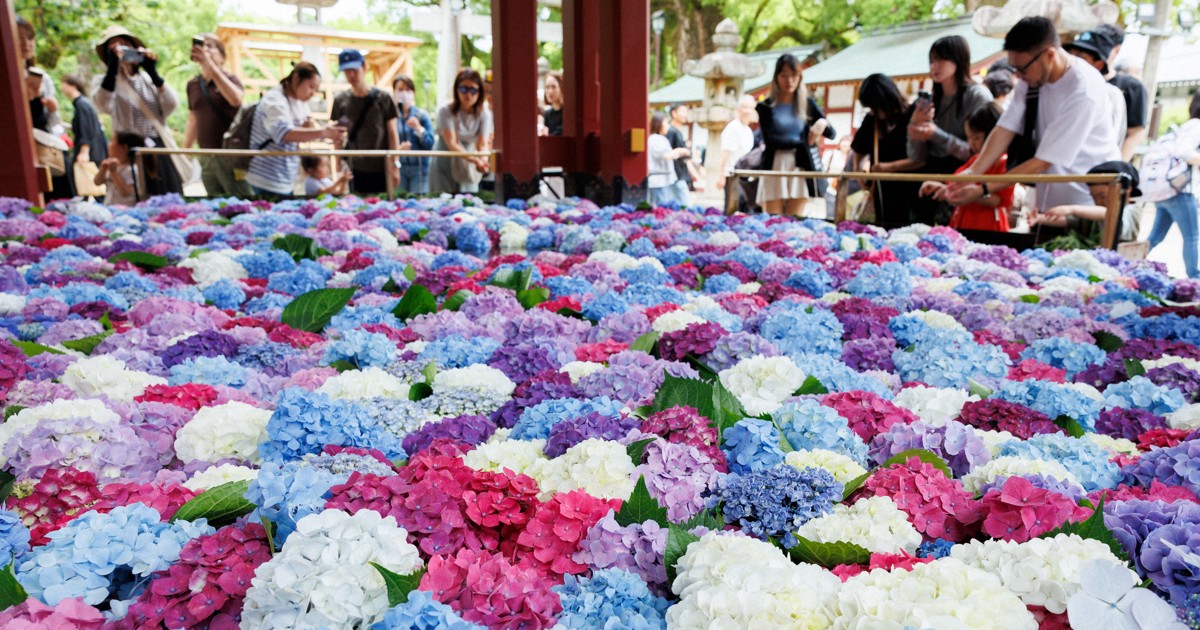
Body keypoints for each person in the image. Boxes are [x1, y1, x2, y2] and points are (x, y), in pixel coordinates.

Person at [947, 17, 1119, 215]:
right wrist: (973, 172)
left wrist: (983, 188)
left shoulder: (1083, 90)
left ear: (1049, 55)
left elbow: (1044, 159)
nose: (1017, 76)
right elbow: (1005, 127)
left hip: (1086, 204)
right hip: (1047, 200)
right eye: (1014, 69)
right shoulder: (1031, 80)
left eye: (1022, 68)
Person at [908, 35, 993, 224]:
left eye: (941, 60)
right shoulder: (930, 99)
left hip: (963, 175)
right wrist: (914, 129)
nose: (934, 67)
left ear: (958, 60)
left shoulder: (977, 96)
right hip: (928, 177)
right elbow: (915, 156)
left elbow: (980, 151)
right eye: (932, 61)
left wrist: (935, 134)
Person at [93, 25, 182, 196]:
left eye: (125, 45)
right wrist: (112, 69)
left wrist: (154, 73)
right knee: (137, 195)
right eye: (114, 46)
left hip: (156, 147)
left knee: (165, 194)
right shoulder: (104, 82)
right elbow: (104, 105)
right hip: (129, 151)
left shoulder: (147, 79)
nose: (121, 50)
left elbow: (171, 105)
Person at [245, 62, 345, 197]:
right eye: (311, 87)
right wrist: (323, 132)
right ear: (297, 79)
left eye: (316, 89)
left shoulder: (300, 103)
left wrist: (328, 134)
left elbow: (306, 132)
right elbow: (284, 133)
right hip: (266, 179)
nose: (313, 93)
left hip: (287, 178)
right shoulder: (274, 99)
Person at [755, 54, 835, 216]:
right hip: (775, 164)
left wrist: (822, 123)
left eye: (793, 75)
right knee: (772, 219)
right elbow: (770, 140)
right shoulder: (765, 106)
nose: (789, 80)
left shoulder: (808, 104)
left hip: (800, 164)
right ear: (777, 77)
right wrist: (803, 143)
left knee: (795, 220)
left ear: (799, 77)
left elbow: (831, 134)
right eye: (784, 75)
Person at [920, 103, 1012, 232]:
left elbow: (998, 200)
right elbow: (959, 184)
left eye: (976, 138)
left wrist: (974, 195)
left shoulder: (1004, 162)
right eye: (968, 138)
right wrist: (944, 189)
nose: (971, 144)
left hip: (986, 226)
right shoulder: (975, 160)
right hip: (964, 222)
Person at [851, 73, 924, 226]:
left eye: (875, 106)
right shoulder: (872, 119)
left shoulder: (913, 114)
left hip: (911, 189)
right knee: (883, 228)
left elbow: (921, 158)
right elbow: (858, 148)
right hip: (882, 190)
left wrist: (889, 167)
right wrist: (858, 172)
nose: (873, 111)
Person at [183, 33, 250, 198]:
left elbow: (236, 99)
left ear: (222, 56)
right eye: (202, 46)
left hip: (231, 155)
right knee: (215, 200)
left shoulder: (231, 79)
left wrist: (211, 67)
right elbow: (193, 117)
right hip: (206, 155)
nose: (205, 50)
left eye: (210, 46)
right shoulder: (193, 84)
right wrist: (185, 150)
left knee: (240, 198)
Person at [1144, 91, 1200, 278]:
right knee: (1191, 237)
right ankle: (1195, 280)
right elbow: (1184, 152)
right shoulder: (1197, 126)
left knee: (1155, 237)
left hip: (1166, 191)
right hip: (1181, 191)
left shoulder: (1186, 126)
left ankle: (1131, 267)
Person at [330, 49, 400, 196]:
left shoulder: (383, 98)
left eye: (354, 70)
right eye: (347, 71)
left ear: (364, 67)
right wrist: (337, 164)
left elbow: (393, 133)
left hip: (382, 166)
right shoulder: (341, 102)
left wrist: (395, 164)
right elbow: (339, 135)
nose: (351, 75)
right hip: (356, 167)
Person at [1032, 160, 1144, 249]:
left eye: (1103, 196)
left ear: (1127, 190)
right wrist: (1039, 218)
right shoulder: (1095, 216)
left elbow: (1109, 214)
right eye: (1094, 197)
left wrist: (1071, 209)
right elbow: (1069, 221)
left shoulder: (1132, 211)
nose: (1098, 201)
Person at [1063, 29, 1129, 156]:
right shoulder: (1060, 88)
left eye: (1082, 57)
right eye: (1072, 54)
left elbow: (1112, 140)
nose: (1074, 61)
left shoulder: (1111, 94)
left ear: (1098, 65)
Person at [429, 69, 493, 195]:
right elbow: (452, 143)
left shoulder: (484, 114)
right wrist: (476, 160)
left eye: (473, 90)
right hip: (445, 161)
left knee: (468, 201)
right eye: (464, 89)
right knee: (443, 201)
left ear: (479, 93)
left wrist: (483, 159)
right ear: (456, 90)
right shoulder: (445, 110)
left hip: (468, 166)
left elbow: (482, 143)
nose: (468, 94)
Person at [1095, 23, 1149, 162]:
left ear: (1116, 50)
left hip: (1108, 162)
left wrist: (1117, 166)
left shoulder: (1132, 87)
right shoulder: (1079, 81)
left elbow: (1136, 132)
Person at [393, 74, 434, 194]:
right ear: (394, 92)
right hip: (399, 169)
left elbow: (430, 143)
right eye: (400, 90)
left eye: (407, 90)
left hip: (419, 169)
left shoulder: (421, 116)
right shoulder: (391, 117)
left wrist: (419, 129)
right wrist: (398, 149)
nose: (404, 94)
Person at [61, 74, 108, 170]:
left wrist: (84, 152)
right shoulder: (84, 102)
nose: (62, 87)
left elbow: (85, 129)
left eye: (64, 84)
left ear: (73, 86)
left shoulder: (81, 104)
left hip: (91, 154)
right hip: (96, 152)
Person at [715, 95, 757, 192]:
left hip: (744, 175)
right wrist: (721, 176)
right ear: (738, 109)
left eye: (750, 108)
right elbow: (725, 153)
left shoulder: (748, 130)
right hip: (732, 174)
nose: (748, 111)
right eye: (745, 107)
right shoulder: (733, 127)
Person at [647, 111, 688, 206]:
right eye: (665, 123)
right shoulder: (654, 139)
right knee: (660, 208)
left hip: (664, 181)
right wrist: (679, 150)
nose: (667, 126)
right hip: (658, 181)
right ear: (659, 124)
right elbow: (665, 155)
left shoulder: (661, 138)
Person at [96, 132, 144, 206]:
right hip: (109, 206)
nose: (109, 144)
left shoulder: (132, 169)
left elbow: (125, 193)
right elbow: (97, 182)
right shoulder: (113, 165)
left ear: (124, 147)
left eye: (112, 141)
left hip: (125, 209)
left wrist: (114, 173)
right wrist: (103, 169)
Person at [666, 103, 698, 203]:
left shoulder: (676, 131)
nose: (685, 115)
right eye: (682, 111)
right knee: (685, 205)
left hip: (678, 175)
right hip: (676, 176)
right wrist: (694, 173)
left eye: (686, 112)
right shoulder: (671, 131)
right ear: (674, 113)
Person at [541, 71, 564, 137]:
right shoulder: (547, 114)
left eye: (554, 87)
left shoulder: (567, 113)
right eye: (547, 87)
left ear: (561, 87)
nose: (550, 91)